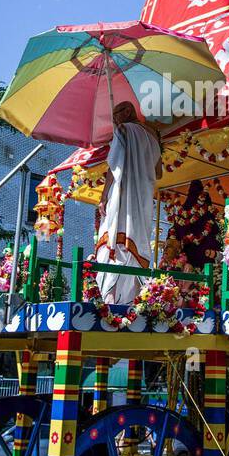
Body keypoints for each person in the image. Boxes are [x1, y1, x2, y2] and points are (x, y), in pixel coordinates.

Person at [95, 102, 162, 305]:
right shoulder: (153, 135)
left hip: (123, 195)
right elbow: (159, 172)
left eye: (116, 115)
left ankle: (110, 296)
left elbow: (113, 168)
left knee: (113, 240)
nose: (114, 120)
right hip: (143, 198)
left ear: (126, 112)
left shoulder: (123, 130)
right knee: (137, 243)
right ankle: (139, 297)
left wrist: (103, 196)